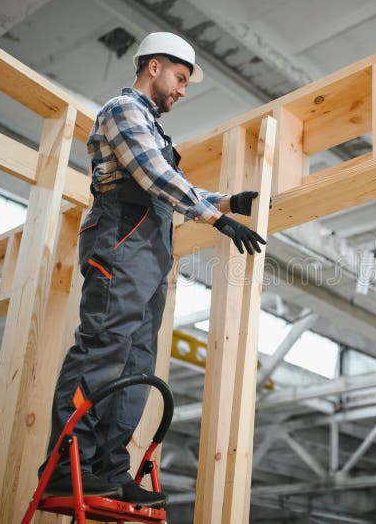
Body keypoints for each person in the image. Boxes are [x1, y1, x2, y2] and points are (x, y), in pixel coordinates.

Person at [40, 32, 266, 508]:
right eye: (180, 79)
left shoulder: (153, 130)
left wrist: (227, 201)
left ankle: (108, 468)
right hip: (120, 239)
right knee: (103, 347)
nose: (182, 90)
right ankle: (67, 465)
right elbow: (155, 177)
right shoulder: (123, 110)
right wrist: (216, 219)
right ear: (154, 66)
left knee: (136, 361)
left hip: (146, 251)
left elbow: (175, 185)